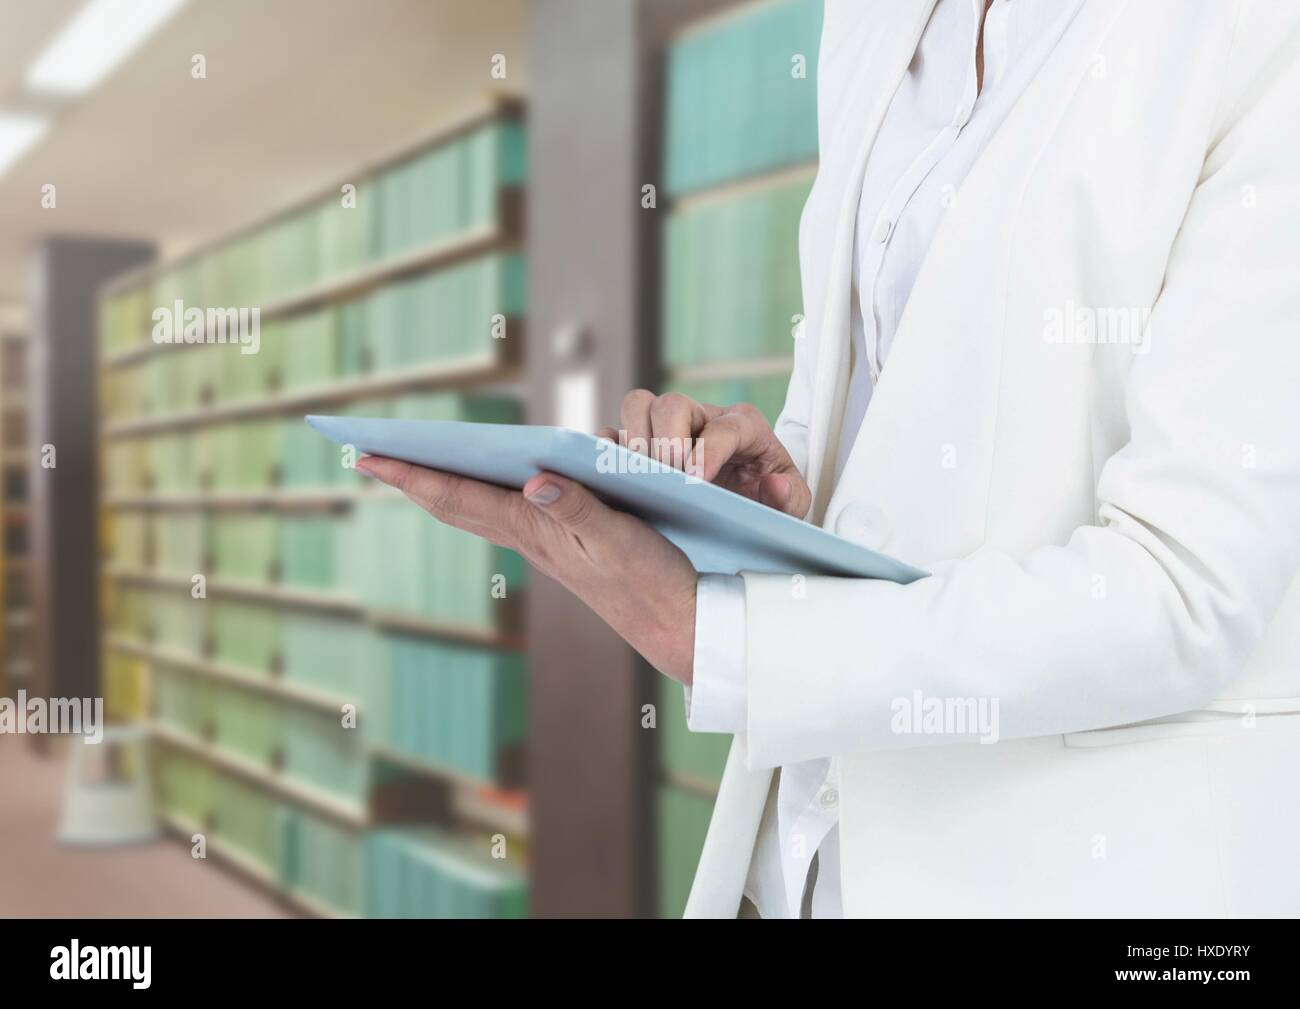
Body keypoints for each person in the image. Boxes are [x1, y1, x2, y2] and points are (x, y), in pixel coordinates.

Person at [356, 0, 1300, 917]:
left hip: (1082, 872)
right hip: (814, 847)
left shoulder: (1251, 29)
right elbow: (865, 414)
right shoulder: (867, 19)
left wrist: (726, 643)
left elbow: (1187, 587)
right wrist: (760, 499)